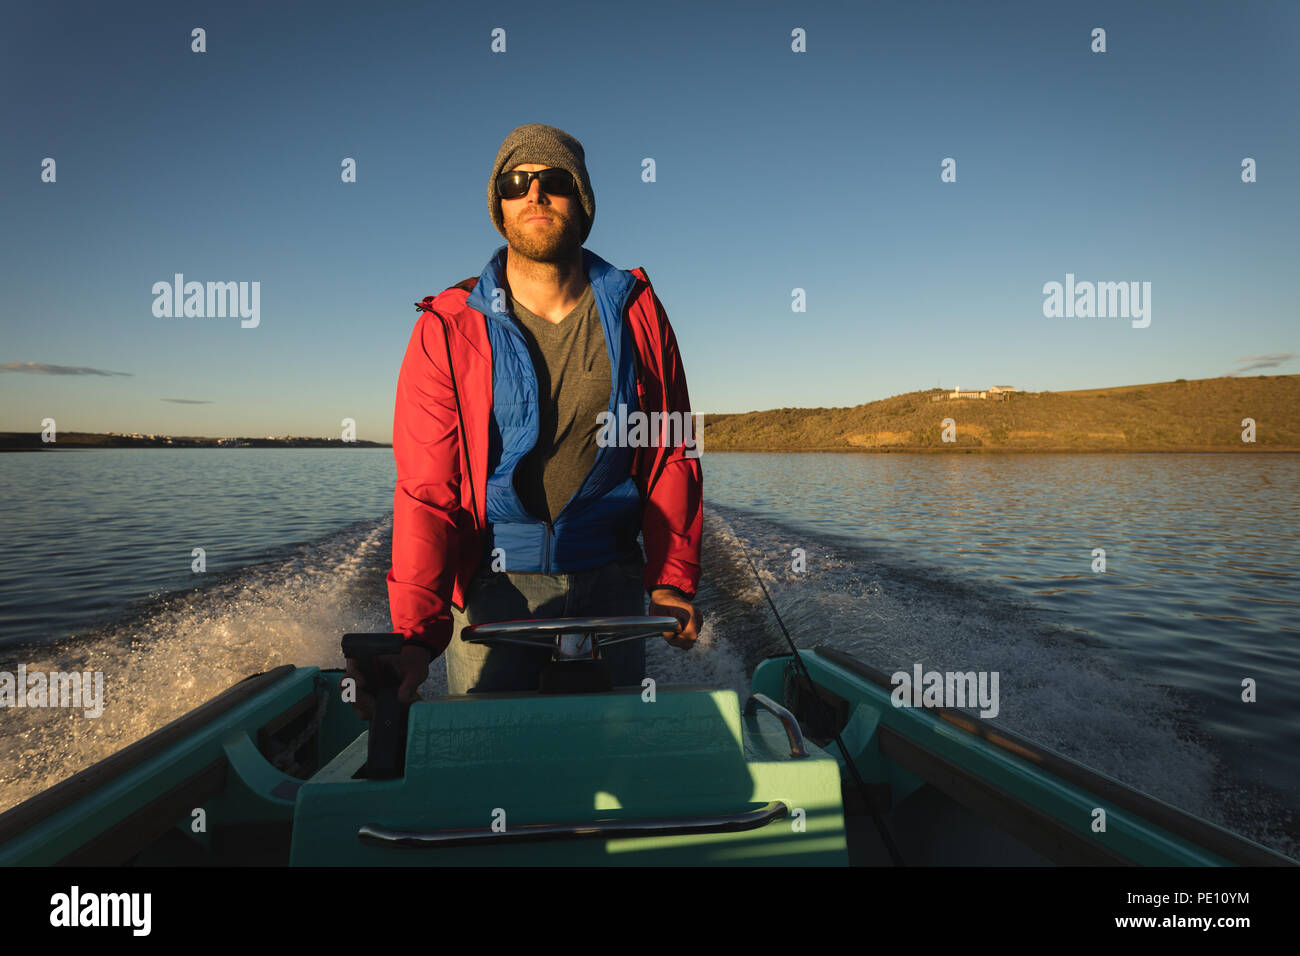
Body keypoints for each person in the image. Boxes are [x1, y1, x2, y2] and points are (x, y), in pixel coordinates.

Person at [350, 123, 702, 713]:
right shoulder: (447, 326)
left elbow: (670, 451)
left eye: (555, 181)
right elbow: (426, 492)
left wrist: (672, 580)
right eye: (517, 183)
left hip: (612, 579)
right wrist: (414, 635)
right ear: (500, 206)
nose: (534, 194)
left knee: (614, 758)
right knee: (491, 768)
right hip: (494, 588)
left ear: (582, 202)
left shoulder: (638, 311)